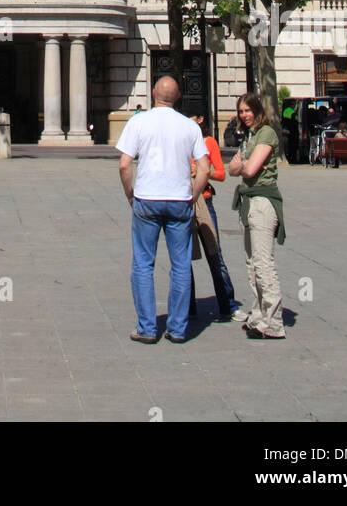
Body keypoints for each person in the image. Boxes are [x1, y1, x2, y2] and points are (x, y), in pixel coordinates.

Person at [116, 76, 209, 344]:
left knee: (143, 263)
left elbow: (124, 164)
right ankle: (178, 329)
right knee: (180, 265)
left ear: (153, 92)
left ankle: (147, 327)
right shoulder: (189, 126)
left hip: (147, 198)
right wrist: (193, 195)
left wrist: (129, 194)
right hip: (179, 200)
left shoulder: (138, 121)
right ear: (178, 96)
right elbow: (203, 167)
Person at [228, 93, 286, 339]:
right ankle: (259, 314)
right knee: (252, 264)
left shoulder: (266, 133)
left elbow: (248, 168)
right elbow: (232, 168)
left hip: (263, 202)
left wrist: (244, 165)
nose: (244, 115)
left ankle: (274, 323)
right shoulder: (249, 136)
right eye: (241, 112)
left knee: (263, 264)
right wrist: (242, 165)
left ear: (257, 110)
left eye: (247, 111)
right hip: (249, 202)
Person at [188, 112, 241, 321]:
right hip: (184, 201)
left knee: (214, 252)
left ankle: (227, 304)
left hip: (205, 200)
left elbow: (221, 173)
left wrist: (203, 171)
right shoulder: (181, 142)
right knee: (184, 259)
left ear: (200, 120)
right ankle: (188, 307)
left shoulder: (209, 142)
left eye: (191, 119)